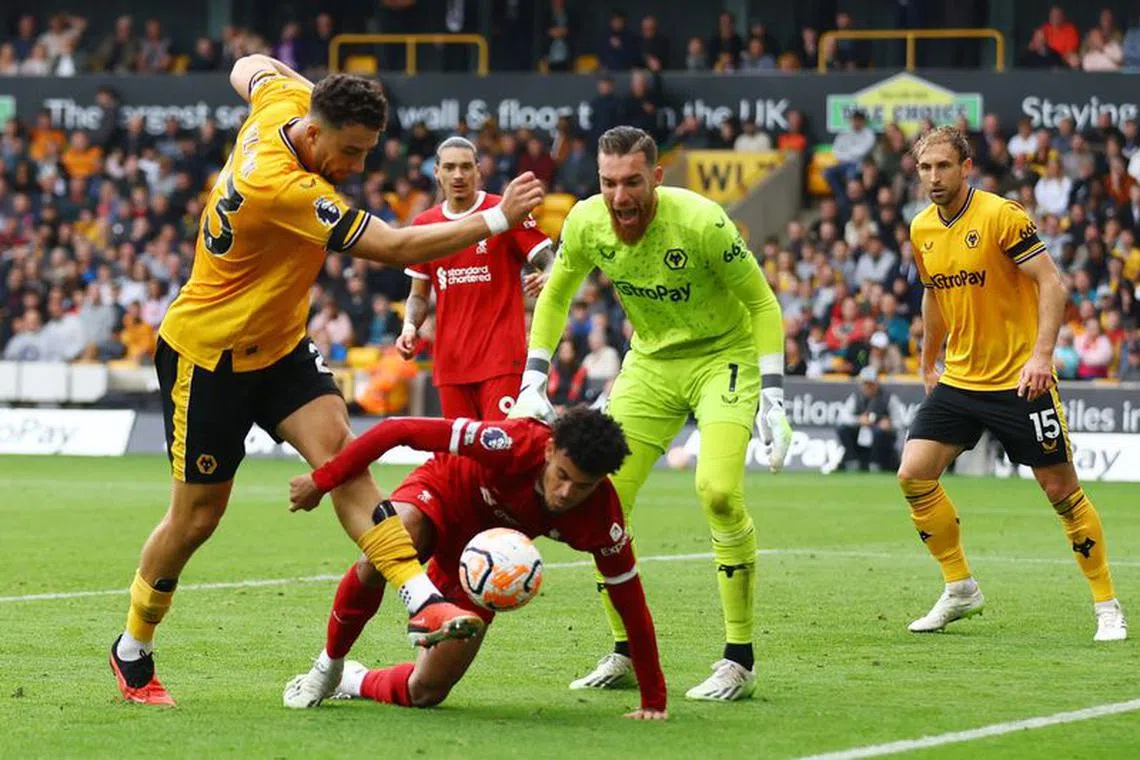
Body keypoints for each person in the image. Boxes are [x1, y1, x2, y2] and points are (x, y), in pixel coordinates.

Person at [108, 54, 545, 706]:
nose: (360, 166)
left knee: (340, 456)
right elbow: (396, 248)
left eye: (367, 150)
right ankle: (133, 647)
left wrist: (312, 90)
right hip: (210, 358)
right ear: (316, 136)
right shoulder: (282, 187)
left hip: (281, 346)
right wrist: (498, 219)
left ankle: (418, 595)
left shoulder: (287, 100)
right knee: (196, 518)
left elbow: (249, 65)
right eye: (351, 151)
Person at [512, 126, 792, 701]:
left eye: (632, 182)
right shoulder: (587, 221)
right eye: (609, 182)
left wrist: (776, 392)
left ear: (656, 178)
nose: (620, 196)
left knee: (717, 492)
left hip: (724, 359)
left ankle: (738, 659)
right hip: (650, 364)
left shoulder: (702, 221)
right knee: (598, 497)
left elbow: (763, 303)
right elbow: (558, 292)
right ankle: (626, 652)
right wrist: (534, 378)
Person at [282, 407, 667, 720]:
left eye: (582, 486)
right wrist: (323, 479)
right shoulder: (514, 443)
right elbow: (399, 429)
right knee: (383, 551)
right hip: (441, 496)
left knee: (426, 691)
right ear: (549, 451)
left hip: (484, 567)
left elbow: (630, 601)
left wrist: (654, 700)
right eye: (561, 476)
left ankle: (353, 680)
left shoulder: (601, 518)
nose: (566, 493)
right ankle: (328, 664)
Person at [901, 126, 1126, 641]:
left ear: (965, 166)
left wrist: (1042, 356)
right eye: (924, 168)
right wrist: (927, 361)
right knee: (914, 474)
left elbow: (1053, 283)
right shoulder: (921, 229)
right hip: (960, 378)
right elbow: (934, 296)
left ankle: (1106, 604)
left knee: (1060, 490)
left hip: (1018, 380)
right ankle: (960, 588)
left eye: (942, 166)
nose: (933, 177)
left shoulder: (1002, 216)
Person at [397, 137, 553, 420]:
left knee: (500, 451)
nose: (458, 175)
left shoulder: (504, 211)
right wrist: (409, 326)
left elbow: (548, 258)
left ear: (478, 171)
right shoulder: (424, 225)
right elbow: (419, 295)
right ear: (437, 172)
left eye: (466, 167)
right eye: (450, 167)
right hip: (450, 364)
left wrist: (549, 275)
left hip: (501, 360)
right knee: (461, 461)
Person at [836, 367, 899, 472]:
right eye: (865, 384)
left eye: (871, 384)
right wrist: (858, 420)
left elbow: (899, 421)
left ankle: (877, 463)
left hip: (881, 438)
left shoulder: (889, 398)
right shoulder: (855, 398)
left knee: (880, 433)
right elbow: (842, 418)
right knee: (843, 429)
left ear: (876, 383)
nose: (868, 387)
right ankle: (852, 461)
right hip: (860, 435)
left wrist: (890, 424)